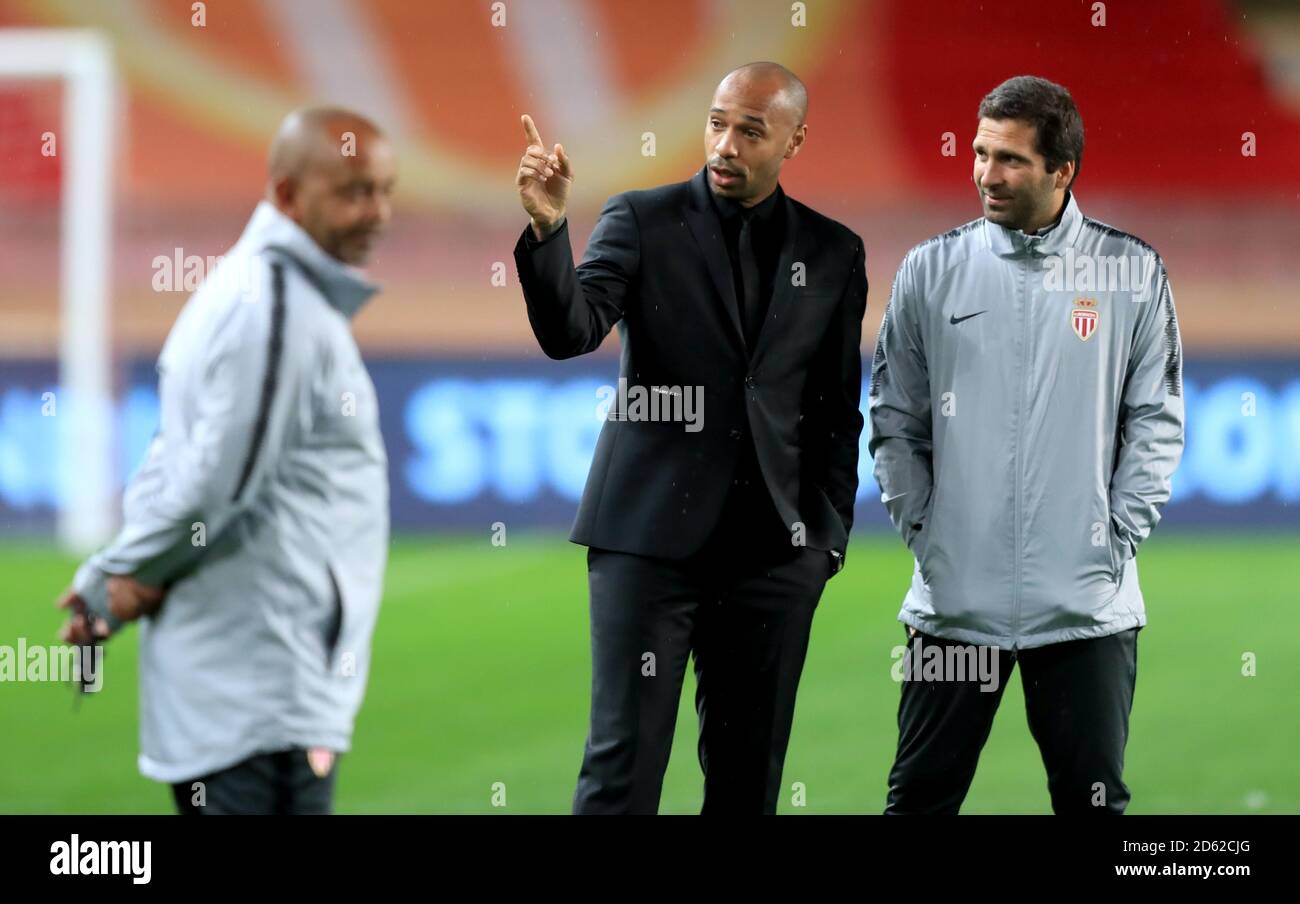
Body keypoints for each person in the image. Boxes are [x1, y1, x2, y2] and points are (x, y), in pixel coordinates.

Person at [513, 62, 868, 814]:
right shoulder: (641, 219)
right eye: (716, 122)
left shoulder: (835, 252)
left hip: (773, 554)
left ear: (794, 141)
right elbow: (572, 332)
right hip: (646, 545)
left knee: (747, 783)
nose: (725, 143)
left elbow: (836, 409)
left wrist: (824, 542)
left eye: (750, 130)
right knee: (622, 771)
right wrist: (548, 231)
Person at [56, 106, 397, 815]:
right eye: (355, 191)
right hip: (264, 683)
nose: (378, 212)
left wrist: (121, 576)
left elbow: (175, 460)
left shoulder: (252, 290)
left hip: (248, 680)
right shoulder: (274, 306)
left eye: (384, 190)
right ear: (286, 194)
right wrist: (115, 580)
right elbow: (220, 485)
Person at [869, 75, 1185, 814]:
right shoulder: (930, 271)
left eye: (1009, 159)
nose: (985, 173)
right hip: (955, 604)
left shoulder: (1129, 271)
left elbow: (1156, 419)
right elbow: (893, 416)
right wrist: (928, 535)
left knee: (1092, 804)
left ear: (1062, 169)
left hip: (1084, 607)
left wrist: (1113, 539)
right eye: (980, 154)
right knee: (917, 801)